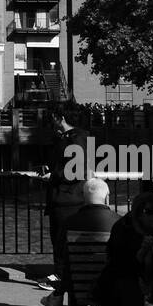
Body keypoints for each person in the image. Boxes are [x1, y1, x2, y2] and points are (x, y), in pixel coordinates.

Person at [43, 177, 118, 306]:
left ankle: (58, 294)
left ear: (83, 197)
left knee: (70, 261)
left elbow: (60, 252)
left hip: (77, 285)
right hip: (113, 285)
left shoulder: (69, 222)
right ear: (107, 197)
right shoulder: (119, 222)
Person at [42, 106, 89, 296]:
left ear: (60, 117)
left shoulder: (77, 138)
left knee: (62, 238)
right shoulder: (71, 137)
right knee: (60, 238)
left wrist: (54, 175)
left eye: (52, 118)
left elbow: (78, 169)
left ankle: (61, 277)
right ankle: (62, 275)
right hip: (63, 196)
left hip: (68, 197)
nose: (51, 122)